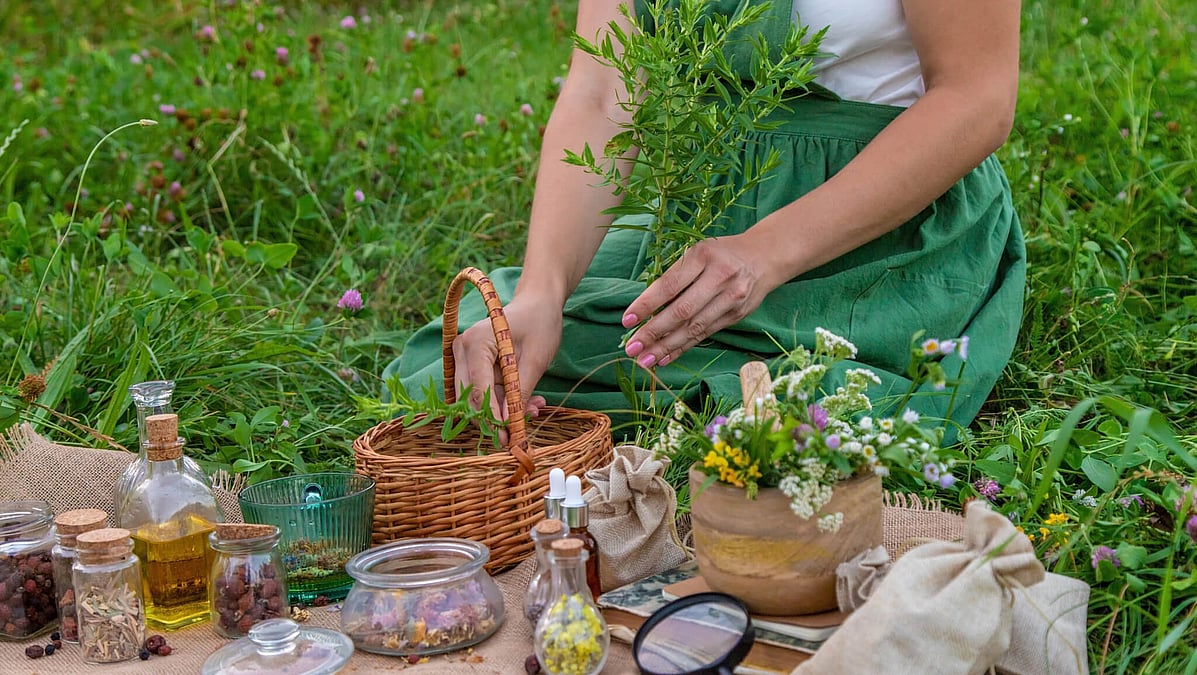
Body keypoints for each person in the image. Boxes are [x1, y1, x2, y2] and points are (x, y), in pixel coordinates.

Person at [385, 0, 1025, 435]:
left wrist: (764, 253)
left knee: (780, 398)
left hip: (882, 216)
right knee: (472, 354)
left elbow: (976, 98)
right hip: (719, 203)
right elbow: (603, 91)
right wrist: (541, 293)